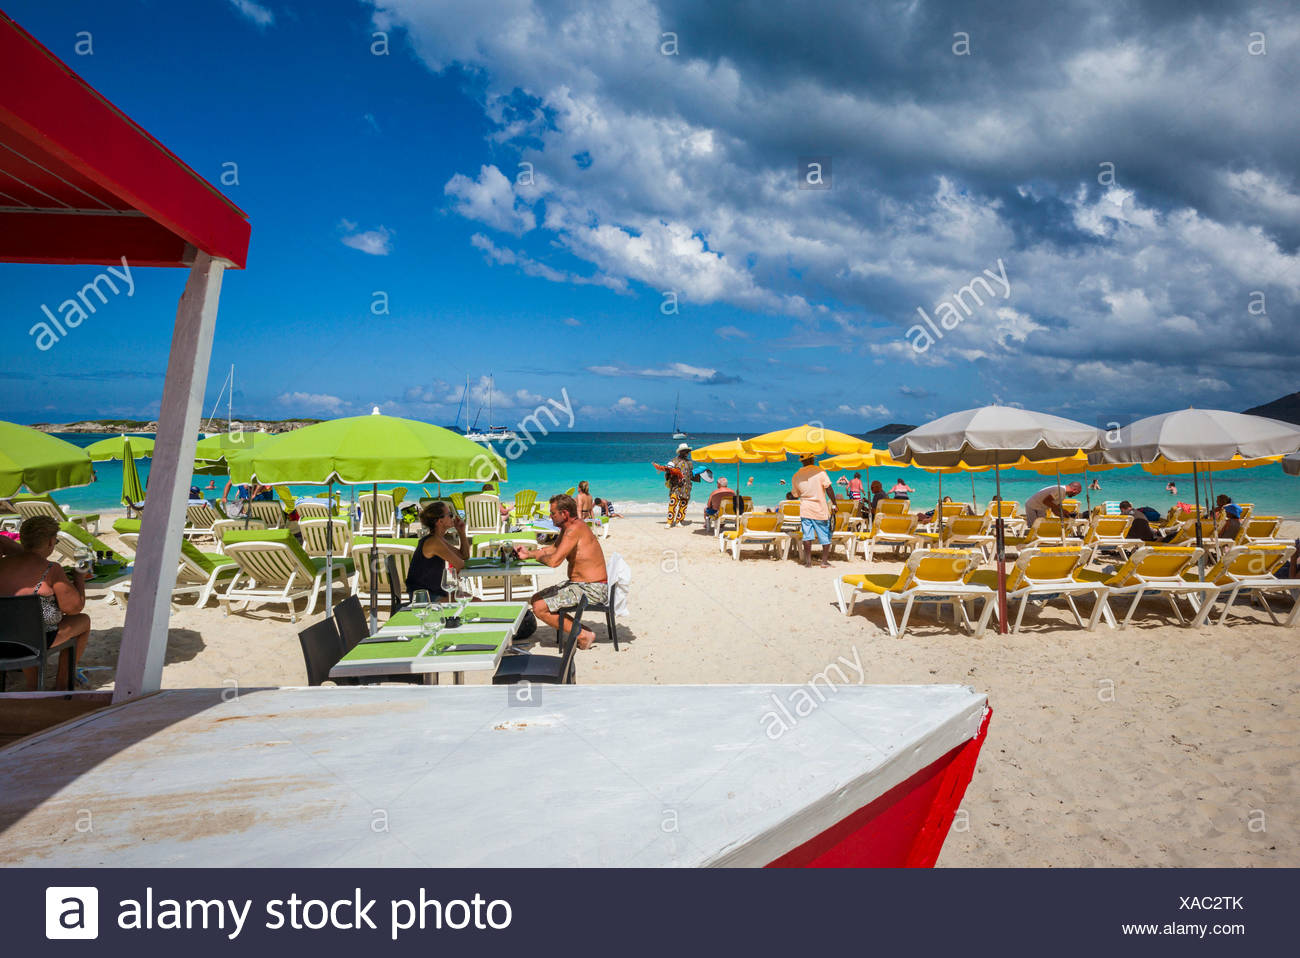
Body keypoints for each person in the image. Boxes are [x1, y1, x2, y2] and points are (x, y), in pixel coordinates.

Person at [0, 516, 91, 690]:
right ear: (50, 542)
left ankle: (33, 685)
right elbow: (74, 608)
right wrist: (79, 578)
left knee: (22, 624)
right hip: (34, 642)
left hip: (3, 638)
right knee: (83, 620)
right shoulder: (51, 569)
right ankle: (62, 685)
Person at [516, 494, 608, 650]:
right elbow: (553, 549)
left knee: (539, 606)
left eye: (553, 513)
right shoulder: (568, 528)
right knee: (536, 599)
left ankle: (583, 635)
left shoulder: (574, 529)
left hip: (592, 588)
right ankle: (580, 631)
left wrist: (538, 557)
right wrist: (529, 553)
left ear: (564, 514)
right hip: (580, 585)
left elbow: (553, 561)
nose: (550, 516)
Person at [406, 501, 469, 601]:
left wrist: (461, 531)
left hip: (433, 592)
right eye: (450, 515)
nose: (453, 517)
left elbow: (464, 556)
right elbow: (460, 564)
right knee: (475, 602)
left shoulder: (438, 539)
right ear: (440, 521)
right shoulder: (433, 542)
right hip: (424, 597)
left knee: (471, 600)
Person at [792, 452, 836, 568]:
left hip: (805, 509)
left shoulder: (796, 476)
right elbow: (828, 488)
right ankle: (824, 561)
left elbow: (796, 494)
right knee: (824, 536)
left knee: (807, 536)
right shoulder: (820, 471)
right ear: (811, 460)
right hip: (819, 509)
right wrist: (834, 504)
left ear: (802, 461)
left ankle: (808, 562)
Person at [652, 443, 702, 528]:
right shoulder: (674, 461)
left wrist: (699, 474)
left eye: (688, 451)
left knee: (683, 505)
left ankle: (679, 521)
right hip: (676, 486)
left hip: (686, 487)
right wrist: (669, 473)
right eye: (686, 451)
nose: (687, 453)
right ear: (681, 452)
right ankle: (669, 522)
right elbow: (668, 472)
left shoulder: (689, 463)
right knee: (673, 503)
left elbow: (691, 474)